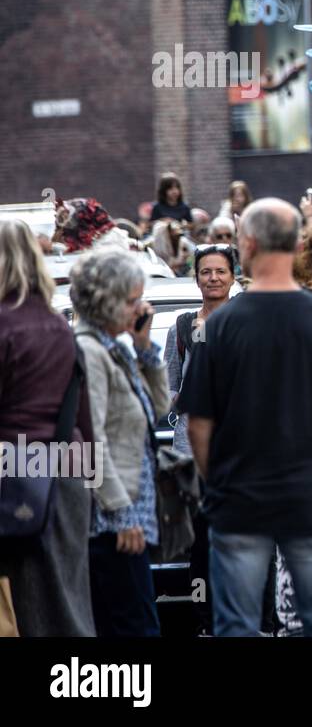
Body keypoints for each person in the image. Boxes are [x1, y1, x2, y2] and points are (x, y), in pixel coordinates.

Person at [179, 199, 312, 637]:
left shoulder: (219, 326)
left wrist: (220, 481)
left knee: (237, 625)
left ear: (247, 245)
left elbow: (198, 424)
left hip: (240, 498)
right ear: (295, 244)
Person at [0, 220, 96, 637]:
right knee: (67, 607)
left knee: (19, 610)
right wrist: (89, 482)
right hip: (66, 473)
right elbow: (83, 413)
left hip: (12, 474)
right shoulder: (60, 325)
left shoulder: (4, 325)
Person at [69, 250, 169, 637]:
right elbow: (92, 439)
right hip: (110, 522)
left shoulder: (113, 349)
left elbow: (156, 409)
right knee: (135, 626)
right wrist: (122, 513)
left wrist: (145, 348)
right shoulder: (89, 352)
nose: (139, 308)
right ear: (108, 301)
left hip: (126, 516)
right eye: (131, 301)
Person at [162, 242, 236, 636]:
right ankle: (206, 623)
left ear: (233, 276)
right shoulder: (181, 326)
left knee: (243, 538)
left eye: (220, 271)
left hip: (240, 450)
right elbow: (173, 388)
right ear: (196, 278)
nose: (213, 278)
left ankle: (247, 618)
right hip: (193, 452)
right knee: (202, 542)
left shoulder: (245, 321)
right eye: (206, 272)